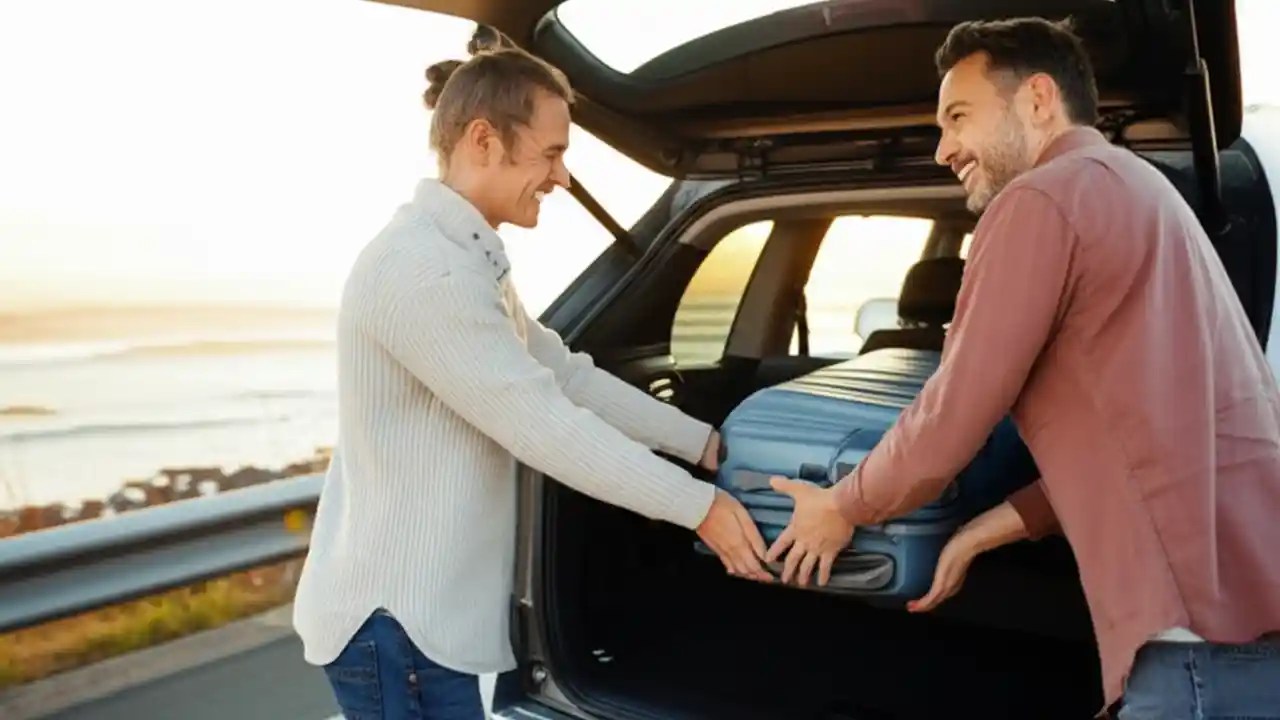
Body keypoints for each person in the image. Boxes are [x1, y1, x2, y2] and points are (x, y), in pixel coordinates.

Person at [764, 16, 1280, 718]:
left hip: (1186, 645)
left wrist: (842, 505)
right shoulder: (1145, 189)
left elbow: (951, 418)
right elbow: (1155, 434)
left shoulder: (1039, 200)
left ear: (1038, 99)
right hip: (1249, 621)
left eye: (958, 117)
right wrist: (990, 528)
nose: (943, 149)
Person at [292, 35, 770, 720]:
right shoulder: (426, 272)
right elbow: (543, 426)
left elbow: (565, 377)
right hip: (395, 624)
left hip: (421, 623)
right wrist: (700, 508)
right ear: (483, 140)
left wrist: (702, 444)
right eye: (551, 153)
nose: (562, 178)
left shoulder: (462, 258)